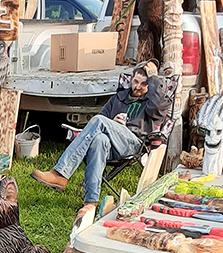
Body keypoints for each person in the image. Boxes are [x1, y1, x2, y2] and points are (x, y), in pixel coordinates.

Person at [31, 61, 169, 207]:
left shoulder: (152, 101)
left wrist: (154, 78)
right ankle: (91, 202)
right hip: (111, 146)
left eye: (144, 84)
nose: (138, 87)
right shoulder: (118, 98)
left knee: (99, 121)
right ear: (131, 79)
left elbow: (157, 109)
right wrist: (112, 122)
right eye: (136, 82)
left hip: (134, 144)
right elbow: (100, 120)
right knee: (99, 140)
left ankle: (61, 173)